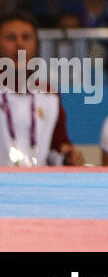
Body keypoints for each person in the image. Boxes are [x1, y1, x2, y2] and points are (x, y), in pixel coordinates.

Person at [0, 10, 82, 165]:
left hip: (36, 186)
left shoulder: (50, 95)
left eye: (26, 37)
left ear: (37, 46)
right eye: (11, 38)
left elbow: (57, 148)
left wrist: (68, 157)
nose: (19, 44)